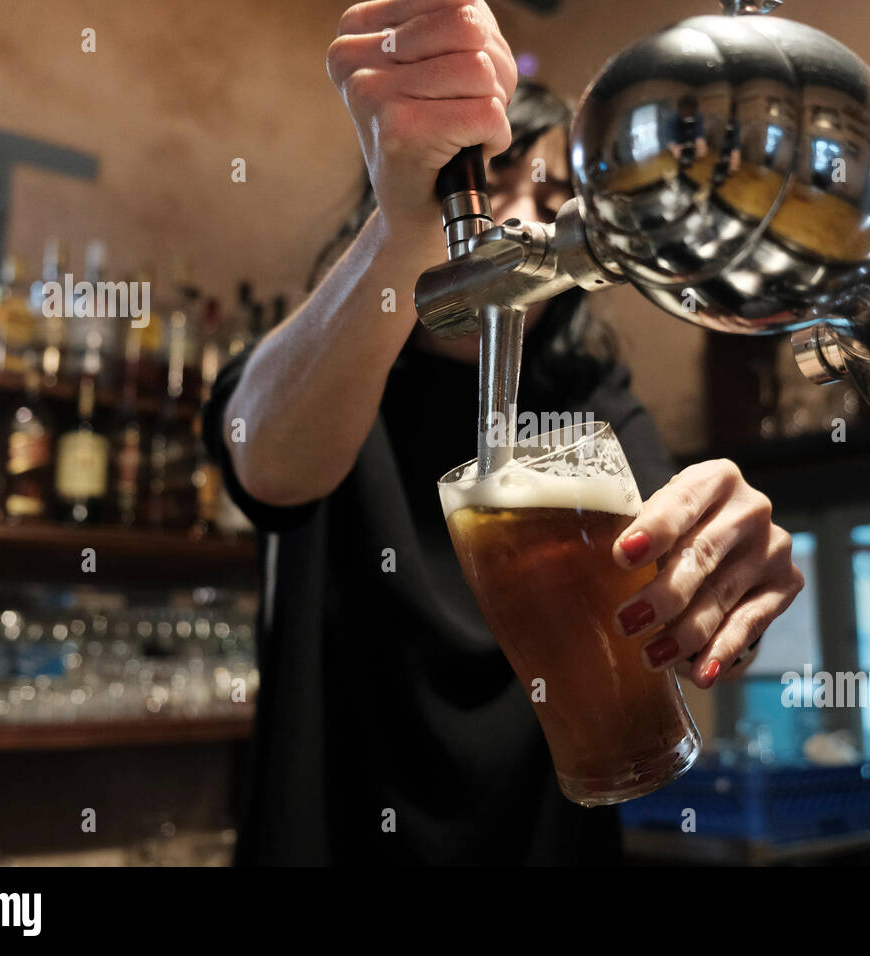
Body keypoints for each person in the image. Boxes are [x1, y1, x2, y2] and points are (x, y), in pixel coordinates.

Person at [203, 0, 803, 865]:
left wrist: (726, 565)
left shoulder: (587, 396)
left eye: (555, 196)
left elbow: (665, 579)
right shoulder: (340, 364)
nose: (522, 217)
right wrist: (406, 228)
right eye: (497, 177)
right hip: (332, 830)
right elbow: (265, 460)